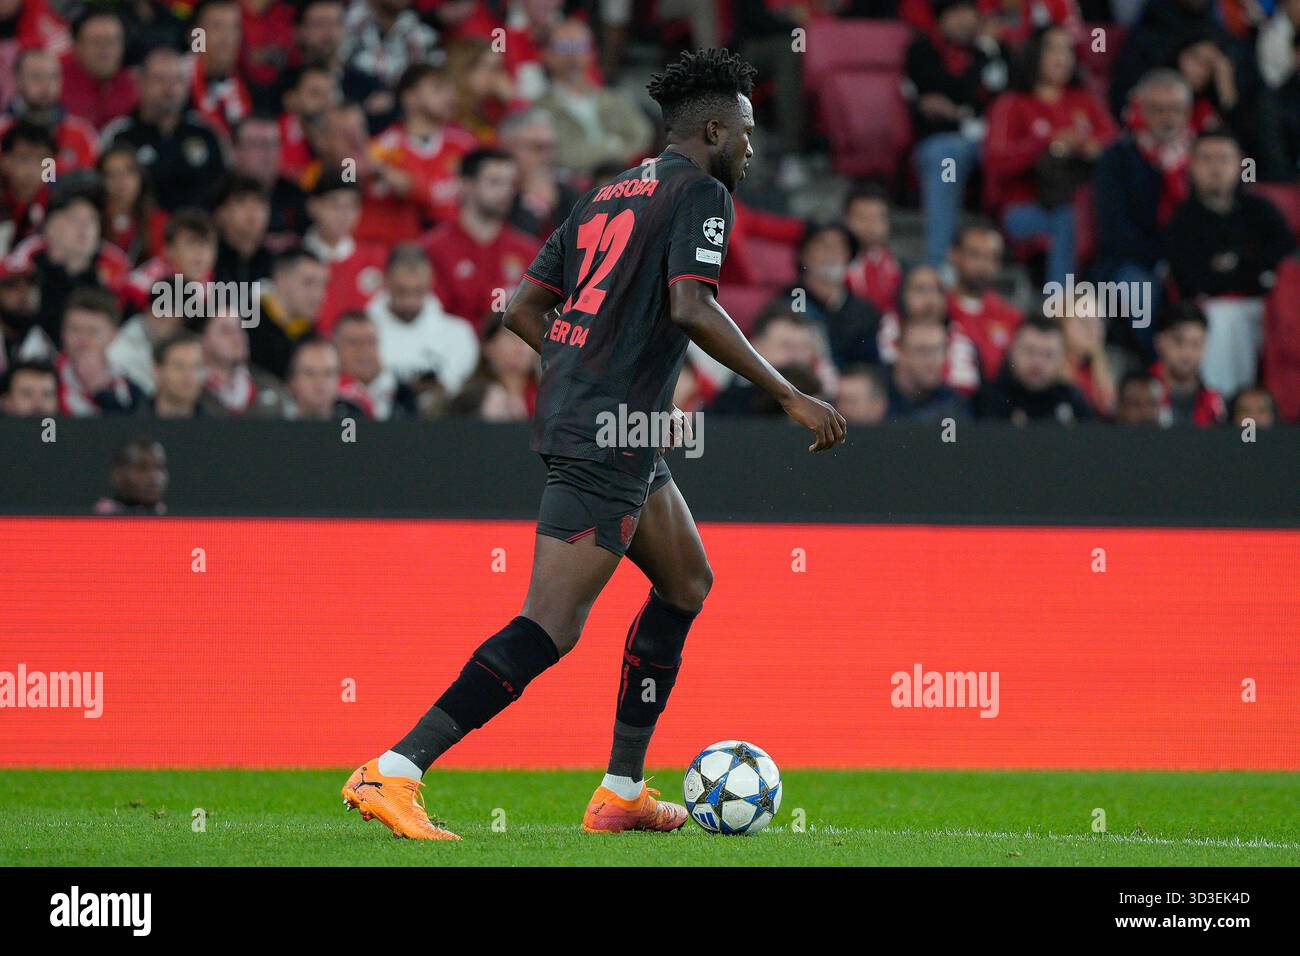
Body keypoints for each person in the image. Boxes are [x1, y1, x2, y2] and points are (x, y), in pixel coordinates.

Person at [342, 48, 845, 841]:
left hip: (616, 426)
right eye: (745, 132)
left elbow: (520, 309)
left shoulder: (608, 191)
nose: (752, 148)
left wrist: (583, 368)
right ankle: (395, 770)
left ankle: (621, 790)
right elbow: (692, 306)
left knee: (685, 581)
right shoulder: (703, 193)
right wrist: (787, 393)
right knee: (550, 625)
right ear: (713, 129)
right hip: (606, 432)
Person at [983, 24, 1117, 287]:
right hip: (1024, 208)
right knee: (1067, 218)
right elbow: (995, 160)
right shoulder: (1011, 103)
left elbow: (1112, 141)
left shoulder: (1084, 100)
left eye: (1068, 50)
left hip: (1081, 201)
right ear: (1034, 54)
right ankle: (1060, 309)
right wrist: (1046, 144)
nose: (1062, 58)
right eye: (1053, 49)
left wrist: (1089, 146)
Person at [905, 0, 1010, 266]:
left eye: (969, 13)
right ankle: (941, 265)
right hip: (943, 142)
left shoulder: (993, 50)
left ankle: (1009, 254)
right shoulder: (922, 49)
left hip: (991, 140)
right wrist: (970, 102)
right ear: (941, 19)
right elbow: (940, 89)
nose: (964, 20)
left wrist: (987, 54)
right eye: (956, 13)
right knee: (947, 158)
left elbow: (1008, 94)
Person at [422, 147, 541, 330]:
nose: (506, 191)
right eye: (495, 182)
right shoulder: (433, 249)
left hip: (511, 354)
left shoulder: (529, 251)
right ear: (466, 185)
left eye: (510, 183)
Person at [973, 317, 1094, 423]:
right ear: (1011, 350)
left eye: (1048, 355)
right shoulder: (988, 399)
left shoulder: (1073, 402)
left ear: (1062, 359)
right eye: (1029, 351)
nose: (1038, 362)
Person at [1150, 301, 1227, 426]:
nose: (1187, 353)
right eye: (1179, 342)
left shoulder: (1215, 403)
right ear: (1159, 341)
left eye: (1196, 344)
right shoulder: (1138, 395)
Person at [887, 319, 971, 422]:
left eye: (938, 350)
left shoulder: (954, 405)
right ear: (900, 352)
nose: (932, 361)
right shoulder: (875, 396)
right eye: (922, 351)